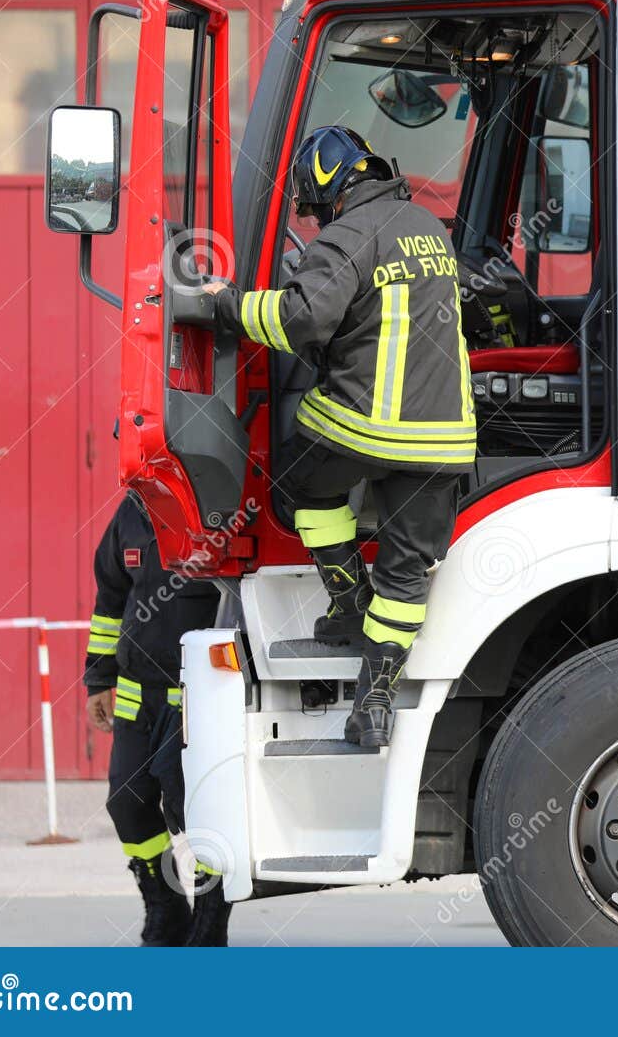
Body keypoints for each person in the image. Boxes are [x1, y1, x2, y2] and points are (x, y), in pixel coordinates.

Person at [202, 125, 475, 747]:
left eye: (317, 207)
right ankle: (374, 703)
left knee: (303, 483)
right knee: (406, 575)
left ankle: (348, 601)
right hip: (446, 439)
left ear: (329, 188)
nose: (318, 219)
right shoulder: (428, 228)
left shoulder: (348, 236)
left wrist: (226, 304)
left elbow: (301, 319)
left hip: (365, 430)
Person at [85, 491, 230, 945]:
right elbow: (110, 601)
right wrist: (97, 679)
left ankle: (210, 923)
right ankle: (166, 907)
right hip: (133, 696)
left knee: (198, 815)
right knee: (127, 805)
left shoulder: (220, 507)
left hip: (194, 697)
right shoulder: (131, 512)